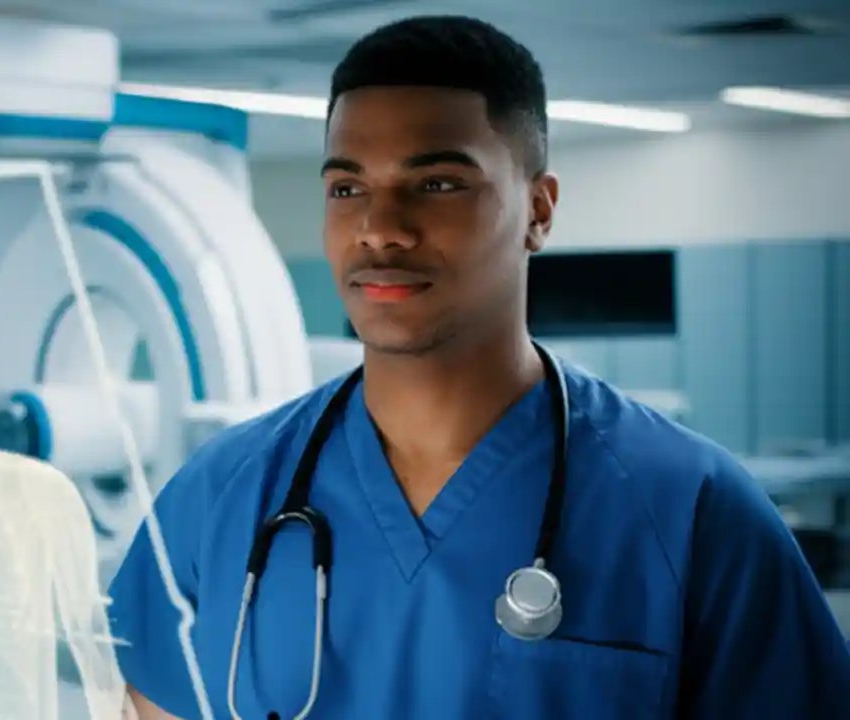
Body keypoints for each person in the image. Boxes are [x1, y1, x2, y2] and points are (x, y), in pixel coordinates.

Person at [105, 14, 850, 720]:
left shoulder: (690, 507)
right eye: (347, 188)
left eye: (437, 184)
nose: (381, 227)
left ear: (539, 210)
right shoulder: (221, 494)